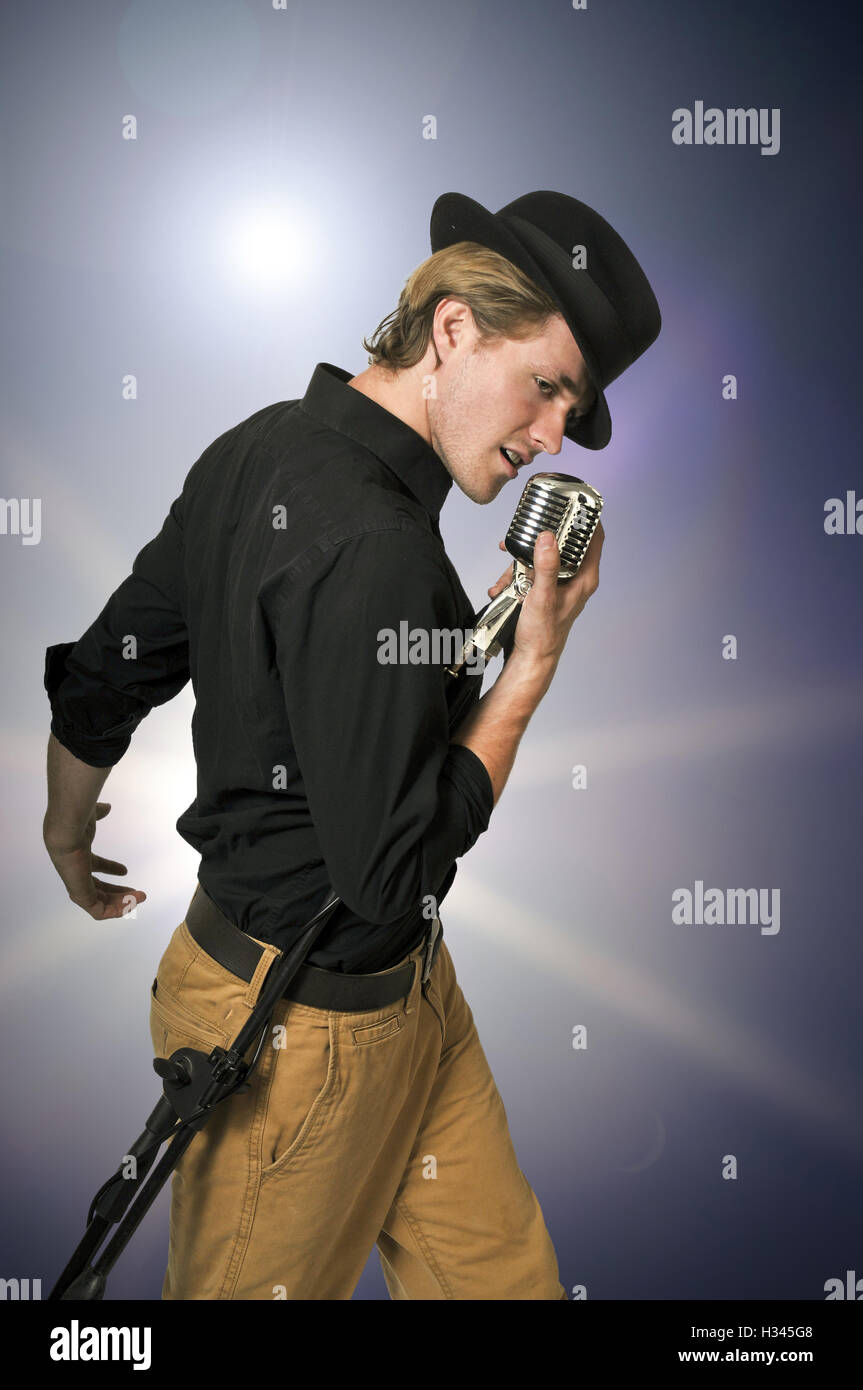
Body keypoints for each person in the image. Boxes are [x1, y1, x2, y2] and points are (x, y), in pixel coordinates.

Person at [42, 190, 661, 1300]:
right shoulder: (378, 546)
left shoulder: (257, 448)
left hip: (406, 999)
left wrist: (65, 825)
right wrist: (528, 670)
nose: (551, 438)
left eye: (572, 406)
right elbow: (387, 874)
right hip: (300, 1033)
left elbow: (109, 671)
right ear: (456, 326)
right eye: (549, 386)